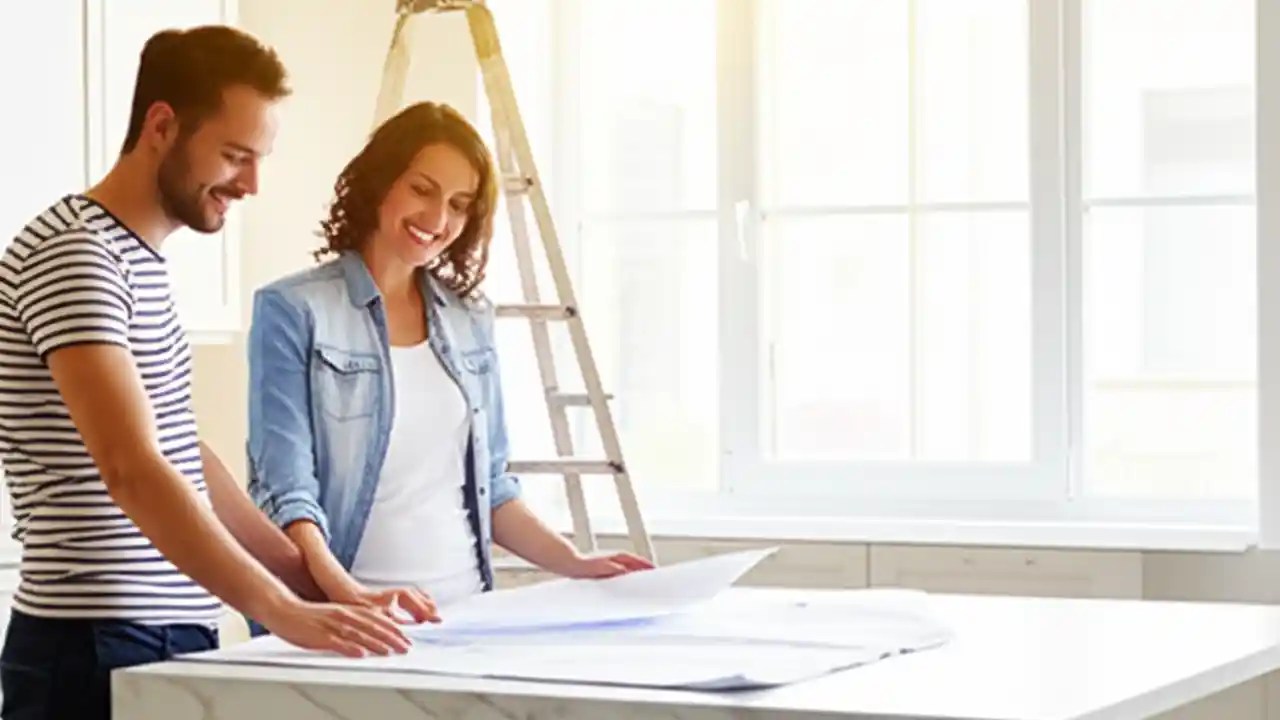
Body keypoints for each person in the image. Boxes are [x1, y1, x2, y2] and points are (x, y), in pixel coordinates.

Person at [0, 25, 413, 720]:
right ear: (162, 126)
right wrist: (278, 609)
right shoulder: (76, 255)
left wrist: (311, 579)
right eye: (234, 155)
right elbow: (132, 468)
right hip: (91, 645)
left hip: (159, 636)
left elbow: (179, 453)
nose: (251, 184)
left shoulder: (134, 259)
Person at [246, 101, 652, 621]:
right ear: (381, 180)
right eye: (422, 189)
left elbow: (493, 489)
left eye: (459, 205)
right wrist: (349, 595)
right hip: (350, 620)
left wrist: (575, 562)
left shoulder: (470, 320)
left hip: (464, 612)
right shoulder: (293, 310)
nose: (437, 220)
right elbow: (285, 492)